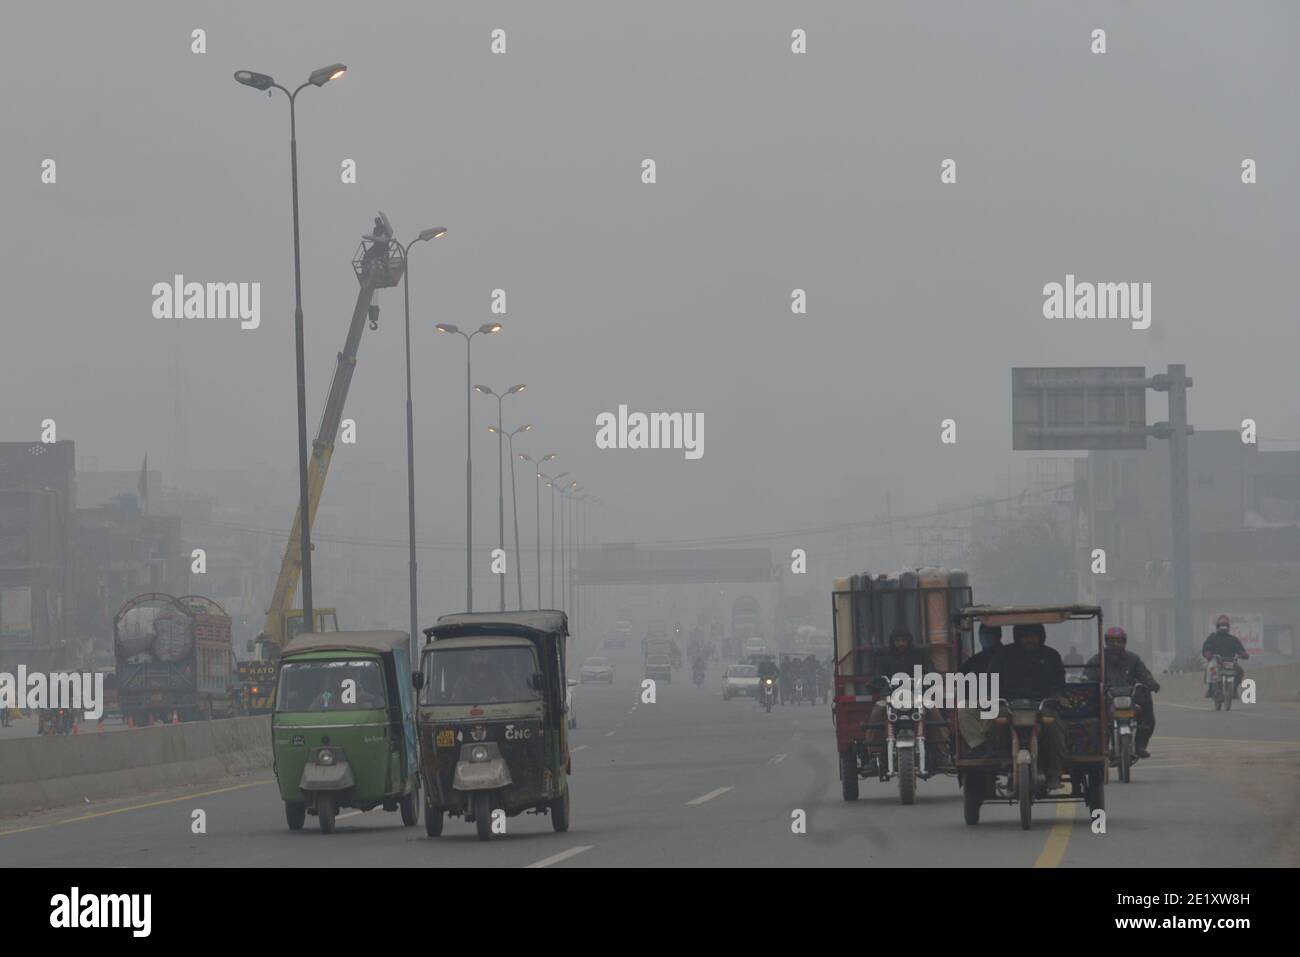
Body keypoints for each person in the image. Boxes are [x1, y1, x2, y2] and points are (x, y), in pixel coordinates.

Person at [986, 623, 1068, 789]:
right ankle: (1003, 763)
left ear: (1040, 636)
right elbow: (991, 680)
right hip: (1009, 704)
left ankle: (1055, 772)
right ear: (1018, 637)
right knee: (994, 723)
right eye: (1025, 636)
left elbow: (1059, 684)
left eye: (1033, 635)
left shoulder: (1051, 656)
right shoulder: (1004, 654)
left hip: (1042, 704)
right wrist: (992, 698)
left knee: (1055, 727)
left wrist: (1056, 698)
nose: (1029, 640)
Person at [1085, 626, 1160, 759]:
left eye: (1119, 641)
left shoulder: (1133, 659)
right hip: (1106, 698)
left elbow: (1144, 674)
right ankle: (1102, 747)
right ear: (1106, 642)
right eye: (1112, 641)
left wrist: (1152, 684)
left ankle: (1140, 745)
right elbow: (1087, 677)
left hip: (1130, 697)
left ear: (1124, 642)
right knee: (1092, 714)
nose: (1115, 644)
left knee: (1147, 704)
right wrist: (1088, 686)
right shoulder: (1097, 660)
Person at [1201, 615, 1248, 698]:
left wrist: (1243, 654)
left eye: (1225, 626)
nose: (1223, 628)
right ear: (1217, 627)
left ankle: (1233, 690)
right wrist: (1207, 653)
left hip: (1230, 663)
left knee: (1240, 671)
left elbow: (1240, 649)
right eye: (1221, 626)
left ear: (1228, 627)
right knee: (1210, 668)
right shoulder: (1212, 637)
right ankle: (1211, 688)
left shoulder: (1233, 639)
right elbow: (1206, 647)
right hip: (1216, 662)